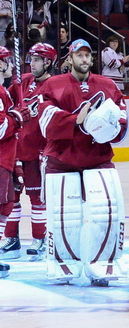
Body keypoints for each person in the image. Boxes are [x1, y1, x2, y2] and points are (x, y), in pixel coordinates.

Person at [37, 39, 127, 286]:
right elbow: (45, 120)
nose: (84, 59)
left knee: (106, 212)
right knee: (64, 216)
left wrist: (110, 129)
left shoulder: (108, 85)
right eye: (79, 55)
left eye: (87, 55)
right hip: (62, 158)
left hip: (97, 158)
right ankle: (63, 263)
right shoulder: (53, 85)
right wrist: (77, 120)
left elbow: (121, 119)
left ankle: (104, 262)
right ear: (70, 58)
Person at [0, 43, 57, 262]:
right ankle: (11, 239)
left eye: (36, 60)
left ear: (48, 62)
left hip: (38, 151)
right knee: (12, 197)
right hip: (17, 149)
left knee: (37, 197)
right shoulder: (23, 81)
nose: (31, 64)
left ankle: (40, 239)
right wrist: (12, 85)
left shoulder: (55, 85)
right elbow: (9, 106)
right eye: (31, 59)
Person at [0, 47, 26, 277]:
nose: (10, 64)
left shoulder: (4, 91)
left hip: (6, 159)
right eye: (6, 61)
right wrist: (16, 117)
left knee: (6, 205)